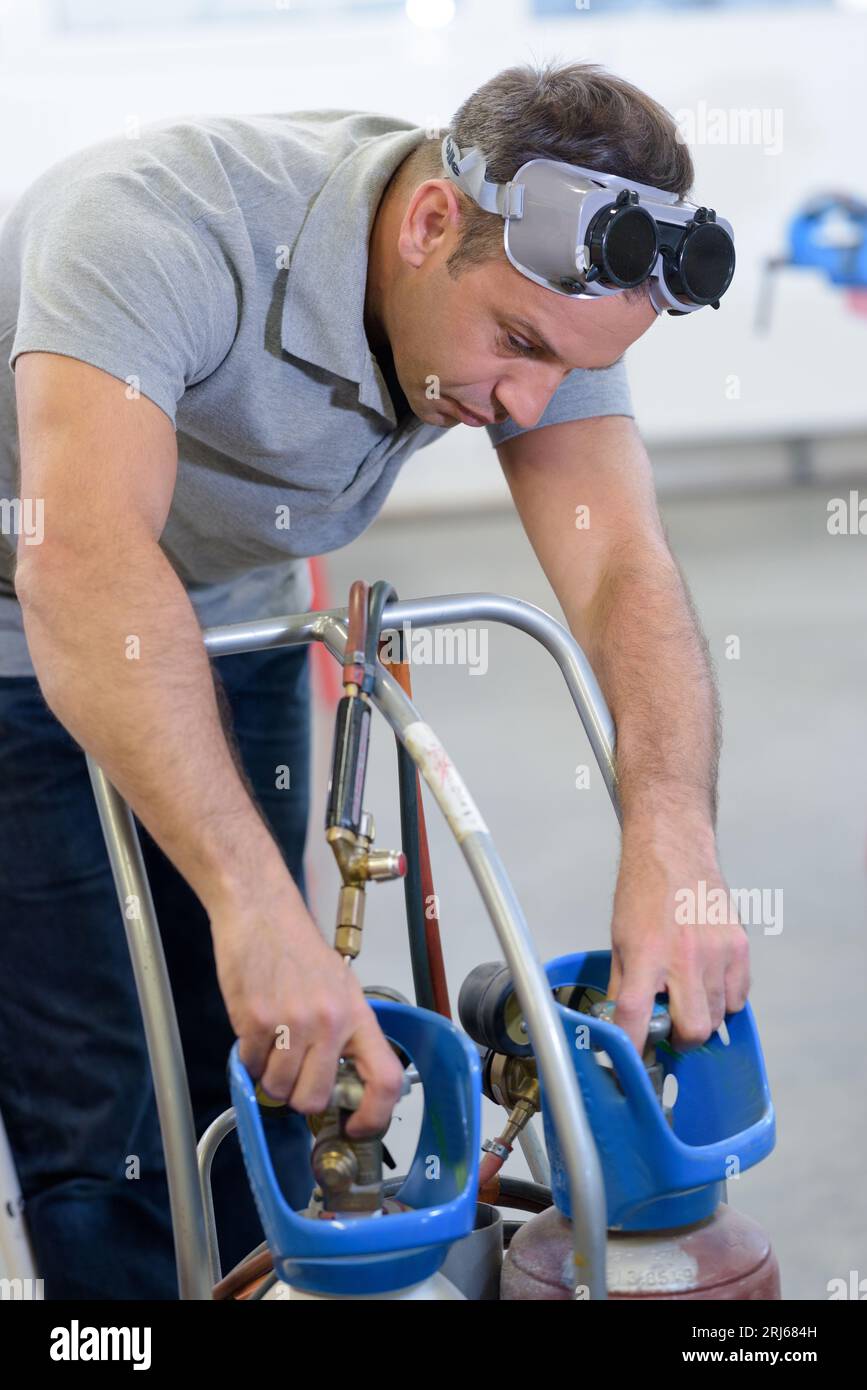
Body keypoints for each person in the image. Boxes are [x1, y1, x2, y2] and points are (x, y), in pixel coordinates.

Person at [0, 59, 749, 1299]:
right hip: (34, 609)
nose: (527, 401)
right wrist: (252, 904)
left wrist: (675, 839)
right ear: (427, 222)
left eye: (568, 368)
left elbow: (622, 567)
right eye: (515, 347)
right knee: (104, 1094)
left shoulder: (553, 293)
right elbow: (81, 563)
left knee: (265, 1037)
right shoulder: (153, 222)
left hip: (228, 613)